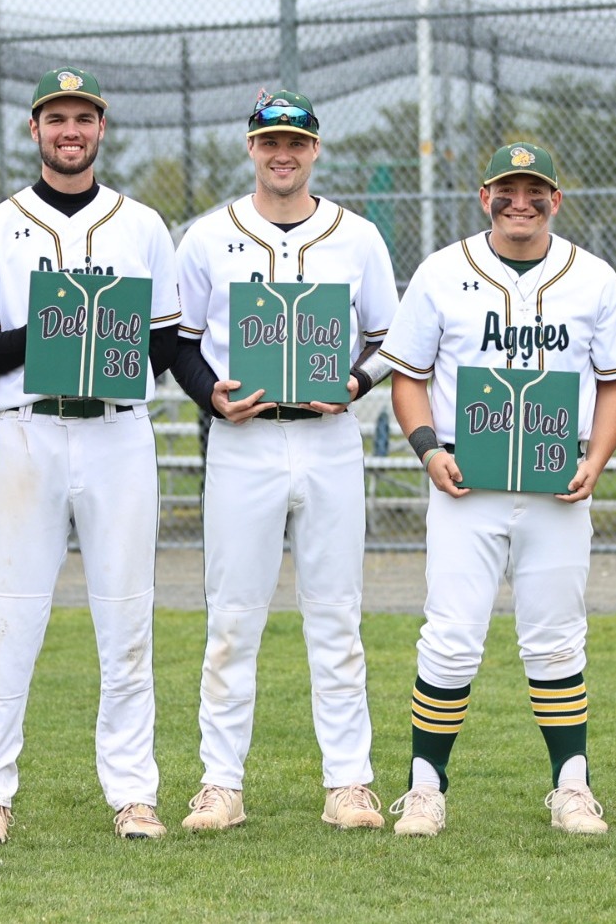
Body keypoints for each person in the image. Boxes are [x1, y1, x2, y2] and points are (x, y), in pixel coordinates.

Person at [0, 67, 181, 843]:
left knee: (126, 617)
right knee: (12, 615)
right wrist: (57, 327)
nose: (69, 131)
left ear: (102, 129)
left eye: (83, 118)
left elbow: (166, 340)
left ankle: (133, 792)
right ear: (36, 130)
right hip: (28, 431)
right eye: (56, 118)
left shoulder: (140, 224)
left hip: (117, 431)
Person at [378, 142, 616, 837]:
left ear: (556, 199)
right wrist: (427, 450)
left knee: (556, 638)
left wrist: (599, 461)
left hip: (559, 480)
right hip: (467, 478)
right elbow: (409, 374)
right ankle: (427, 787)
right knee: (452, 637)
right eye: (507, 189)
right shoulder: (441, 271)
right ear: (484, 195)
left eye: (535, 190)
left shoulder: (593, 276)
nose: (520, 201)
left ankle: (572, 785)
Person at [169, 89, 400, 833]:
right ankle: (220, 784)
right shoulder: (209, 235)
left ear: (315, 150)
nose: (283, 153)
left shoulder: (356, 236)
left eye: (296, 142)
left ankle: (349, 784)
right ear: (251, 148)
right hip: (245, 437)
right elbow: (176, 338)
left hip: (329, 436)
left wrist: (357, 383)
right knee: (233, 618)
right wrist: (212, 396)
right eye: (270, 141)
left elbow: (388, 338)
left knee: (336, 616)